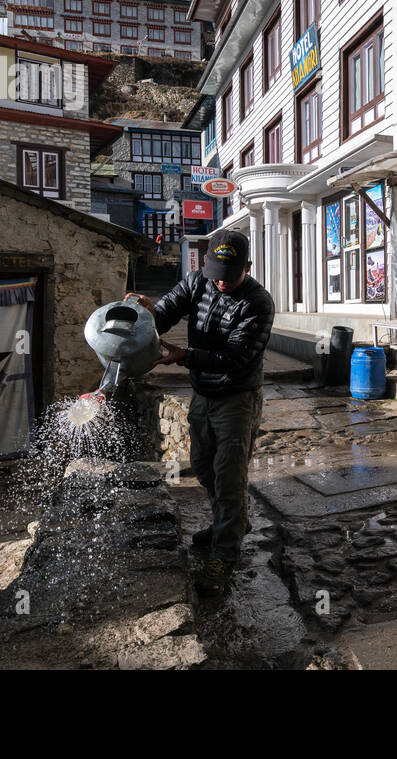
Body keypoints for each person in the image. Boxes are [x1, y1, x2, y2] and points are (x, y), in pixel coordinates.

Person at [125, 228, 274, 596]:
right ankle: (233, 522)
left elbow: (236, 359)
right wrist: (145, 314)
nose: (220, 283)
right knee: (204, 468)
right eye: (215, 275)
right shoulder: (197, 282)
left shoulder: (258, 303)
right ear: (205, 265)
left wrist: (184, 356)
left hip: (237, 398)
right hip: (203, 394)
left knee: (228, 478)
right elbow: (164, 314)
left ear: (248, 267)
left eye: (229, 276)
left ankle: (224, 553)